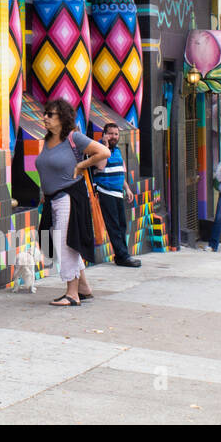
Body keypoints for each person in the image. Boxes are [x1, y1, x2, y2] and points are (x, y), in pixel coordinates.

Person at [35, 99, 111, 307]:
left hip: (69, 197)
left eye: (50, 114)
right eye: (45, 114)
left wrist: (82, 165)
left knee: (65, 244)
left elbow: (104, 152)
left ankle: (72, 294)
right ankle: (83, 288)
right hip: (52, 199)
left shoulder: (73, 138)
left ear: (63, 117)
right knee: (64, 242)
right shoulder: (47, 139)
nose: (45, 118)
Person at [89, 122, 142, 267]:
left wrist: (127, 188)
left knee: (121, 226)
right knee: (114, 226)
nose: (114, 136)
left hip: (118, 192)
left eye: (116, 134)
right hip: (105, 191)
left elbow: (119, 171)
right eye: (111, 133)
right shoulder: (98, 148)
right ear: (104, 134)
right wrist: (105, 146)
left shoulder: (117, 150)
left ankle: (121, 255)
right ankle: (123, 256)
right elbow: (100, 166)